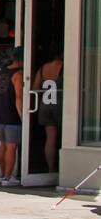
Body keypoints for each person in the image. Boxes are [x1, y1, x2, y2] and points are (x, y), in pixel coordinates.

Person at [0, 47, 25, 187]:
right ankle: (8, 177)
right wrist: (22, 116)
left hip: (0, 113)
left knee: (3, 145)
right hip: (12, 115)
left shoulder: (1, 72)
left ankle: (2, 175)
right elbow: (19, 97)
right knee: (11, 147)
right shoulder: (18, 74)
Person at [33, 45, 64, 175]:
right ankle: (63, 169)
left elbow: (35, 88)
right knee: (65, 139)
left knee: (50, 139)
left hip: (45, 105)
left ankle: (51, 169)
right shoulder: (64, 66)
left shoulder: (42, 69)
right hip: (60, 104)